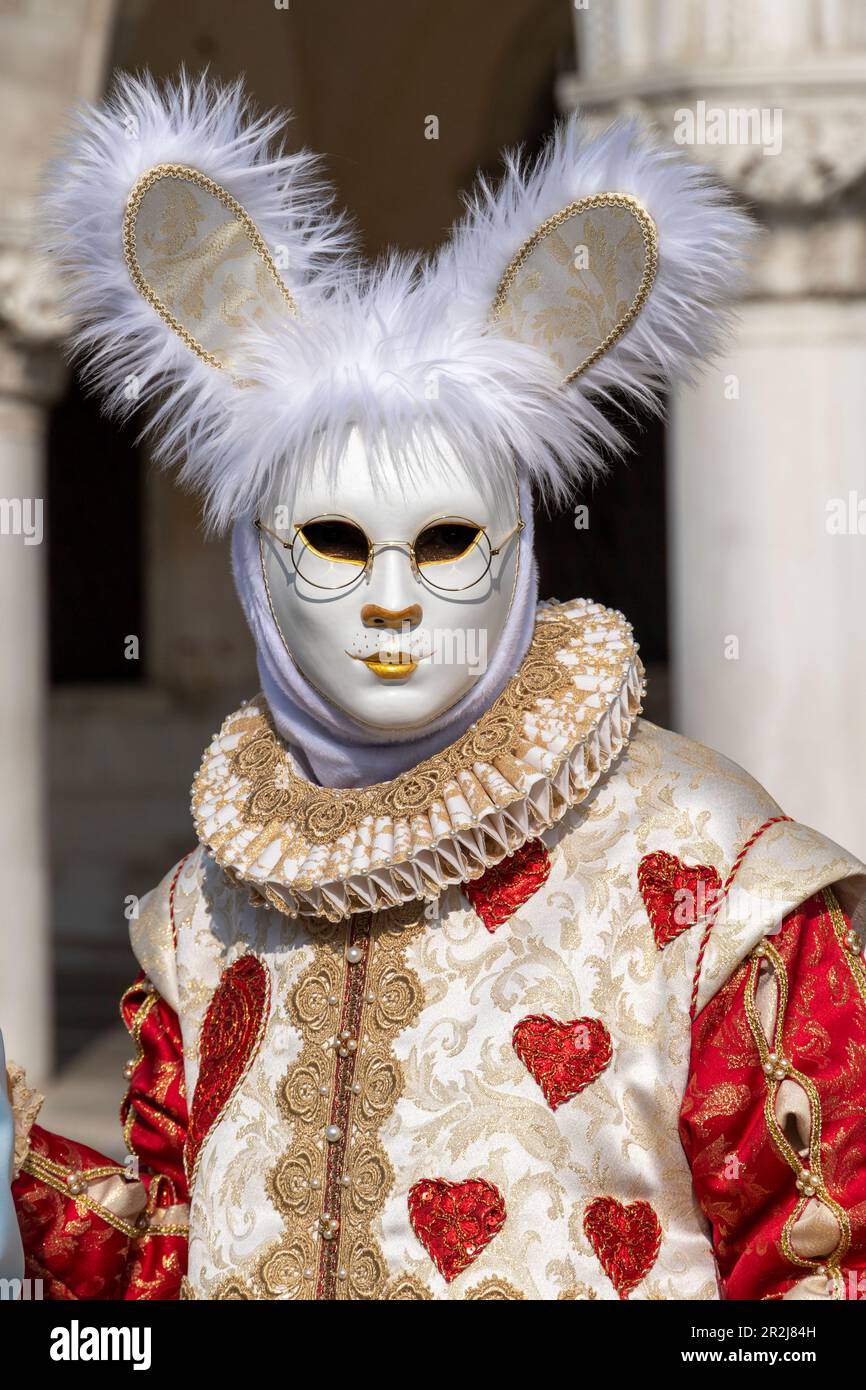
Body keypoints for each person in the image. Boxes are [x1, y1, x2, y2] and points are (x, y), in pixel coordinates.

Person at [4, 73, 864, 1301]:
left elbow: (825, 1257)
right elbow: (174, 1260)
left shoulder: (709, 876)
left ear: (516, 546)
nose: (394, 598)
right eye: (339, 544)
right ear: (257, 564)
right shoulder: (204, 913)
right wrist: (17, 1177)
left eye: (448, 541)